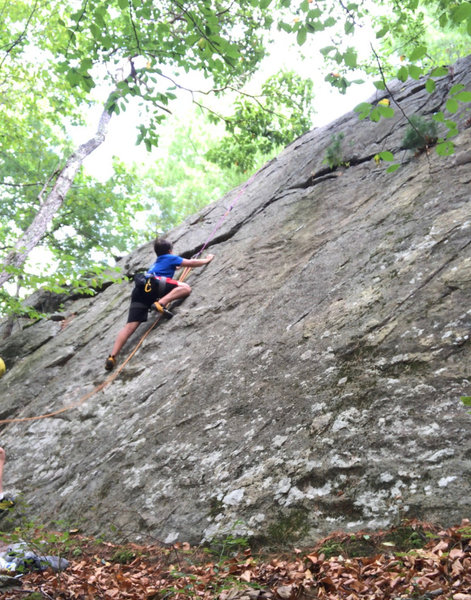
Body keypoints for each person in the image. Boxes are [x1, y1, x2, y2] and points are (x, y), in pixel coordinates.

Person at [105, 238, 214, 371]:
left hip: (140, 291)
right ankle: (160, 303)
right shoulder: (170, 257)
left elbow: (175, 265)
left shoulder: (156, 263)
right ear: (170, 251)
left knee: (129, 327)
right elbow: (190, 263)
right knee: (185, 288)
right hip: (156, 285)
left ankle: (112, 356)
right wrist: (207, 259)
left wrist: (177, 265)